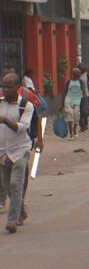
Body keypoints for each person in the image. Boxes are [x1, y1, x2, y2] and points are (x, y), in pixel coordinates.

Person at [0, 73, 34, 233]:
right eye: (3, 86)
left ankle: (12, 220)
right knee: (7, 186)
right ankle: (21, 209)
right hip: (3, 153)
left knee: (15, 184)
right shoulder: (0, 104)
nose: (5, 90)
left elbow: (21, 128)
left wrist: (5, 120)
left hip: (20, 150)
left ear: (18, 87)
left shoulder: (26, 106)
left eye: (9, 86)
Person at [60, 68, 87, 140]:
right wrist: (62, 104)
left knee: (76, 116)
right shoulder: (68, 82)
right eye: (77, 74)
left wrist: (85, 101)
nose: (79, 75)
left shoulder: (81, 82)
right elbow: (64, 93)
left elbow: (83, 92)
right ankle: (71, 134)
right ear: (74, 74)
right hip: (68, 101)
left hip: (77, 102)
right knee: (70, 116)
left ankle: (74, 128)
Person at [78, 63, 89, 132]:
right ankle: (82, 126)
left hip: (85, 95)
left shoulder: (87, 76)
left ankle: (85, 122)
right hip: (77, 96)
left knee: (83, 110)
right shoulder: (76, 76)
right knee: (79, 112)